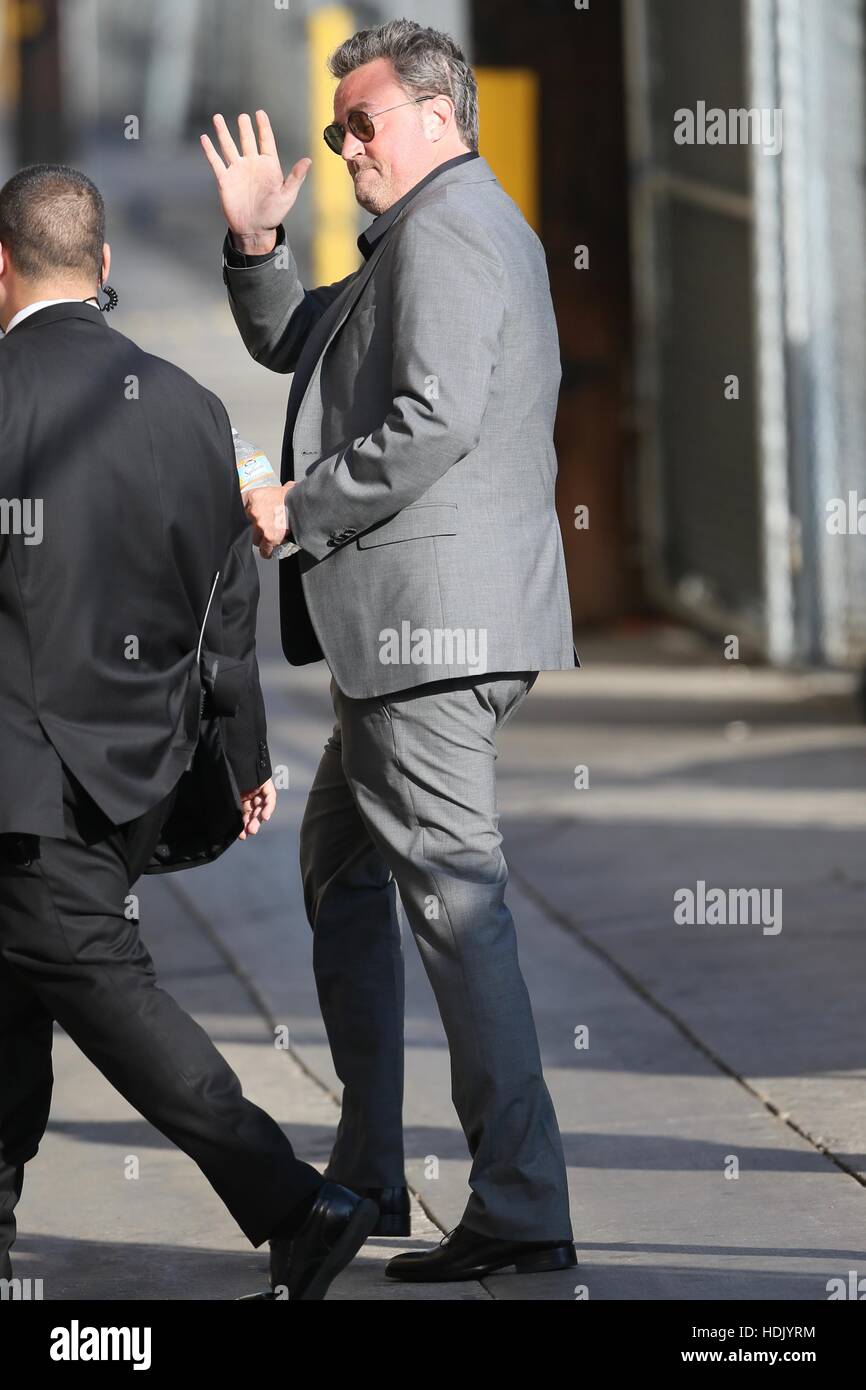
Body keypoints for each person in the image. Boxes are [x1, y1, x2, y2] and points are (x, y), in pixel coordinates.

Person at [202, 17, 579, 1283]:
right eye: (335, 127)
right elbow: (291, 341)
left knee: (457, 910)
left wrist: (294, 506)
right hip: (409, 636)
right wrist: (254, 239)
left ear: (436, 112)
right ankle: (368, 1173)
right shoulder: (417, 237)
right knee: (344, 877)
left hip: (433, 631)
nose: (344, 144)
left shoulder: (456, 229)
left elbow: (433, 419)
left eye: (360, 120)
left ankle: (517, 1202)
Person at [0, 164, 377, 1301]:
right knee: (15, 995)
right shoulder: (189, 407)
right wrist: (241, 750)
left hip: (25, 774)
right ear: (104, 266)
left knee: (104, 988)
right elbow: (229, 601)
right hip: (130, 772)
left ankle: (296, 1201)